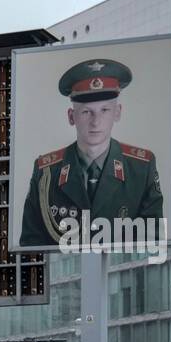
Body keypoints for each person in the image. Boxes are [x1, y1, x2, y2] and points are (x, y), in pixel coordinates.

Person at [18, 58, 163, 248]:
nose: (96, 122)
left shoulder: (141, 168)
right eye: (86, 112)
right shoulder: (46, 172)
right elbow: (31, 246)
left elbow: (153, 244)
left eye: (104, 110)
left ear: (117, 113)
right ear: (72, 117)